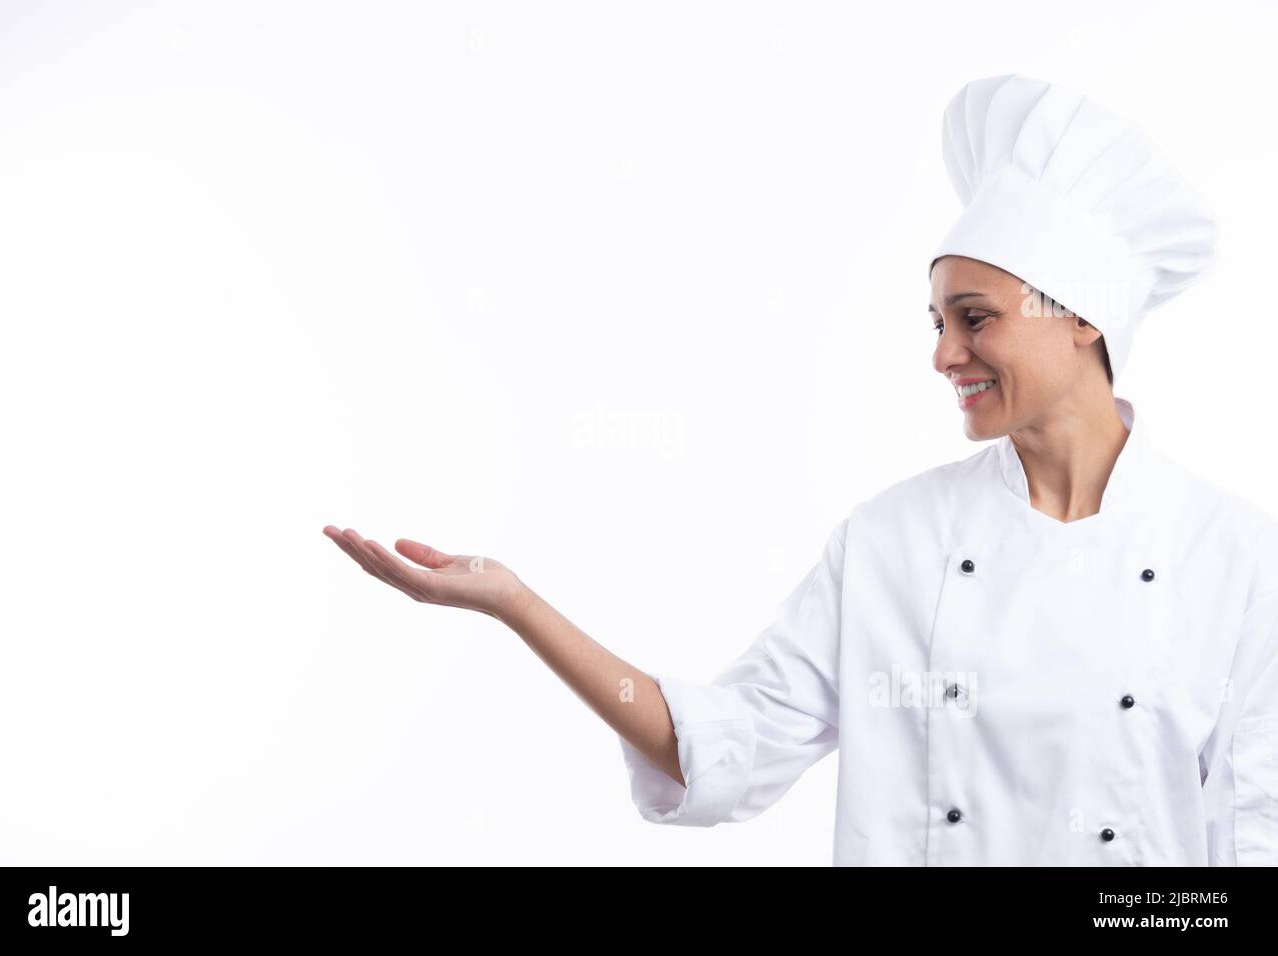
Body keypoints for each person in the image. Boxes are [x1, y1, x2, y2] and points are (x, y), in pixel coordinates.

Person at [323, 73, 1278, 865]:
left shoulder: (1229, 555)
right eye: (937, 323)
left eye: (974, 318)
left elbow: (1248, 833)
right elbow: (718, 750)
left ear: (1084, 317)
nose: (944, 355)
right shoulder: (896, 544)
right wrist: (515, 602)